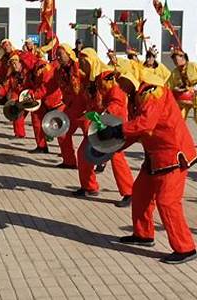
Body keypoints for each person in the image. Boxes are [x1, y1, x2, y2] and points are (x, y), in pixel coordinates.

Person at [96, 70, 197, 264]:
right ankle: (143, 235)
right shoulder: (137, 97)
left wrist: (117, 130)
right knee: (140, 193)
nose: (120, 85)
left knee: (167, 202)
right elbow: (137, 132)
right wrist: (112, 147)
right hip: (155, 155)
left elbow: (145, 123)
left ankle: (186, 248)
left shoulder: (153, 92)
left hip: (173, 154)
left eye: (123, 81)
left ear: (133, 78)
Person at [75, 47, 134, 208]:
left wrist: (105, 114)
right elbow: (84, 101)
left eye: (83, 60)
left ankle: (129, 192)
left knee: (116, 157)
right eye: (80, 60)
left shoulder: (108, 77)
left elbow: (118, 100)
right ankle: (89, 186)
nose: (80, 63)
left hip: (113, 122)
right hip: (97, 123)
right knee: (83, 153)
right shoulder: (88, 80)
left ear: (92, 61)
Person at [168, 47, 197, 149]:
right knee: (179, 119)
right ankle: (179, 140)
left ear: (183, 57)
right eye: (173, 59)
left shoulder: (194, 66)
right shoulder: (175, 72)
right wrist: (174, 89)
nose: (175, 61)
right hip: (183, 99)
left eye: (177, 58)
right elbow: (169, 85)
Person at [52, 43, 90, 169]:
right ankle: (69, 161)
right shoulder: (59, 71)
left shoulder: (80, 66)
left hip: (85, 108)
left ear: (69, 54)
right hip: (72, 106)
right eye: (57, 55)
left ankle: (100, 160)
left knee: (91, 136)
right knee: (62, 132)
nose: (58, 57)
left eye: (60, 54)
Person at [29, 58, 65, 154]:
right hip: (45, 102)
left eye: (39, 68)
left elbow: (44, 89)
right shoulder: (42, 72)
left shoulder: (48, 74)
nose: (38, 71)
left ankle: (66, 155)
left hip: (56, 103)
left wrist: (32, 95)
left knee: (61, 129)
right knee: (37, 120)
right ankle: (41, 146)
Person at [0, 54, 32, 138]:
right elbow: (5, 88)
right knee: (16, 112)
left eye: (15, 63)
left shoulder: (27, 73)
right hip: (16, 96)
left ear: (20, 63)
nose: (14, 65)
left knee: (38, 118)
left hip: (29, 95)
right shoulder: (11, 76)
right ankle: (19, 133)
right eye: (12, 64)